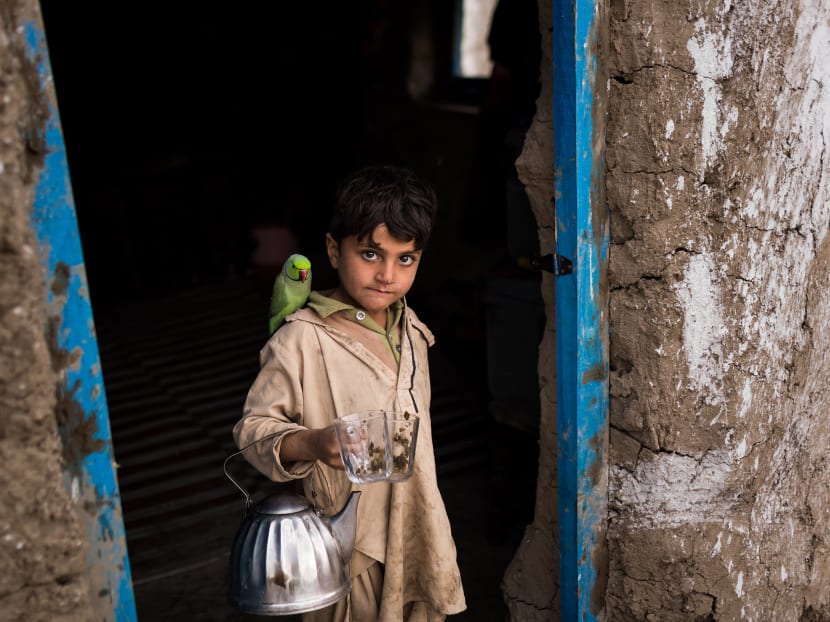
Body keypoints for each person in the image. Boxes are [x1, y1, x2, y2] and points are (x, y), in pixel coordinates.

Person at [233, 164, 467, 622]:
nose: (387, 275)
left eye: (405, 259)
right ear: (333, 251)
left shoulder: (413, 331)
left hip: (420, 530)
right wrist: (315, 442)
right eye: (370, 254)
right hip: (348, 542)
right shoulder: (301, 339)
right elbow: (254, 430)